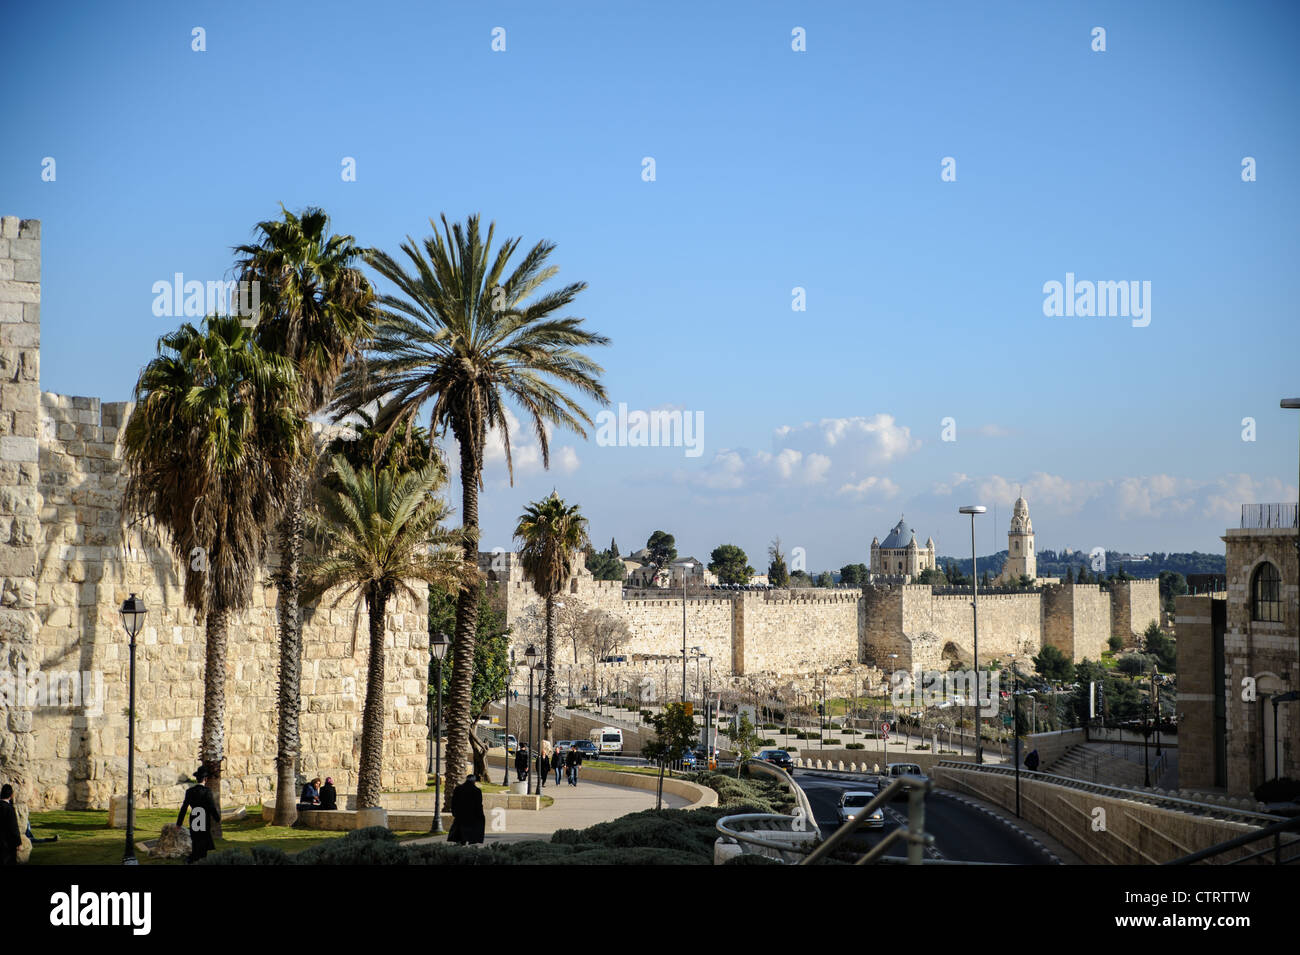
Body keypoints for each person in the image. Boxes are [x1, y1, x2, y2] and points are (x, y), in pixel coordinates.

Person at [176, 767, 220, 864]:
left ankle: (194, 858)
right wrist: (217, 818)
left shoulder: (190, 791)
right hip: (204, 818)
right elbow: (211, 806)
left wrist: (179, 823)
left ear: (197, 779)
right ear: (205, 779)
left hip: (195, 818)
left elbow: (184, 808)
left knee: (195, 840)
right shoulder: (207, 791)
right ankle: (201, 859)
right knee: (204, 840)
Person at [447, 774, 485, 845]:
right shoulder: (477, 791)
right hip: (472, 815)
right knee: (470, 829)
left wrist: (454, 811)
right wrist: (480, 815)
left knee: (460, 829)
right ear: (474, 781)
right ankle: (470, 840)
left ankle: (461, 842)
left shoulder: (458, 789)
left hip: (460, 814)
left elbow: (453, 801)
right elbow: (478, 804)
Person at [0, 784, 21, 866]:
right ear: (11, 795)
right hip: (8, 842)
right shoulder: (9, 808)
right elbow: (13, 827)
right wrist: (18, 842)